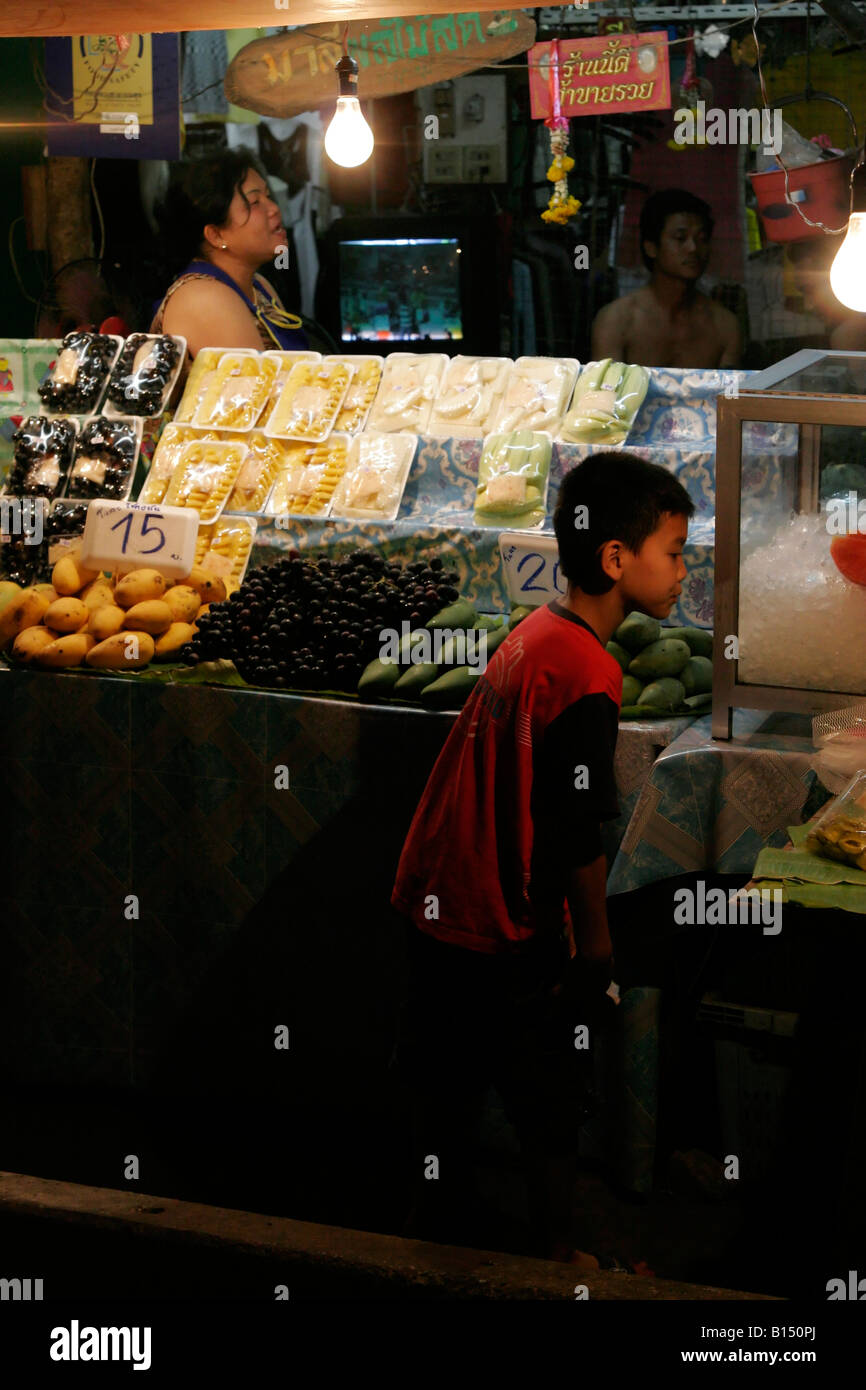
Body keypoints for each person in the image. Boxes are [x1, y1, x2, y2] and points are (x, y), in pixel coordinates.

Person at [392, 452, 694, 1266]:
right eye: (674, 551)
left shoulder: (538, 630)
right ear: (615, 558)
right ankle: (555, 1251)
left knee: (447, 1086)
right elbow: (571, 829)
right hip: (497, 915)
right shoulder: (585, 672)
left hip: (439, 899)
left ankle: (436, 1232)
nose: (683, 571)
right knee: (549, 1092)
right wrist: (593, 949)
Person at [150, 150, 310, 366]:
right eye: (254, 202)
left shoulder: (259, 286)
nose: (273, 209)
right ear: (216, 235)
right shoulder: (203, 297)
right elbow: (257, 392)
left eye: (268, 196)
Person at [592, 189, 741, 368]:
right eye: (680, 238)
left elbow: (731, 395)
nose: (693, 248)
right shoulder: (617, 321)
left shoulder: (725, 327)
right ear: (651, 247)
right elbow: (603, 394)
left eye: (702, 239)